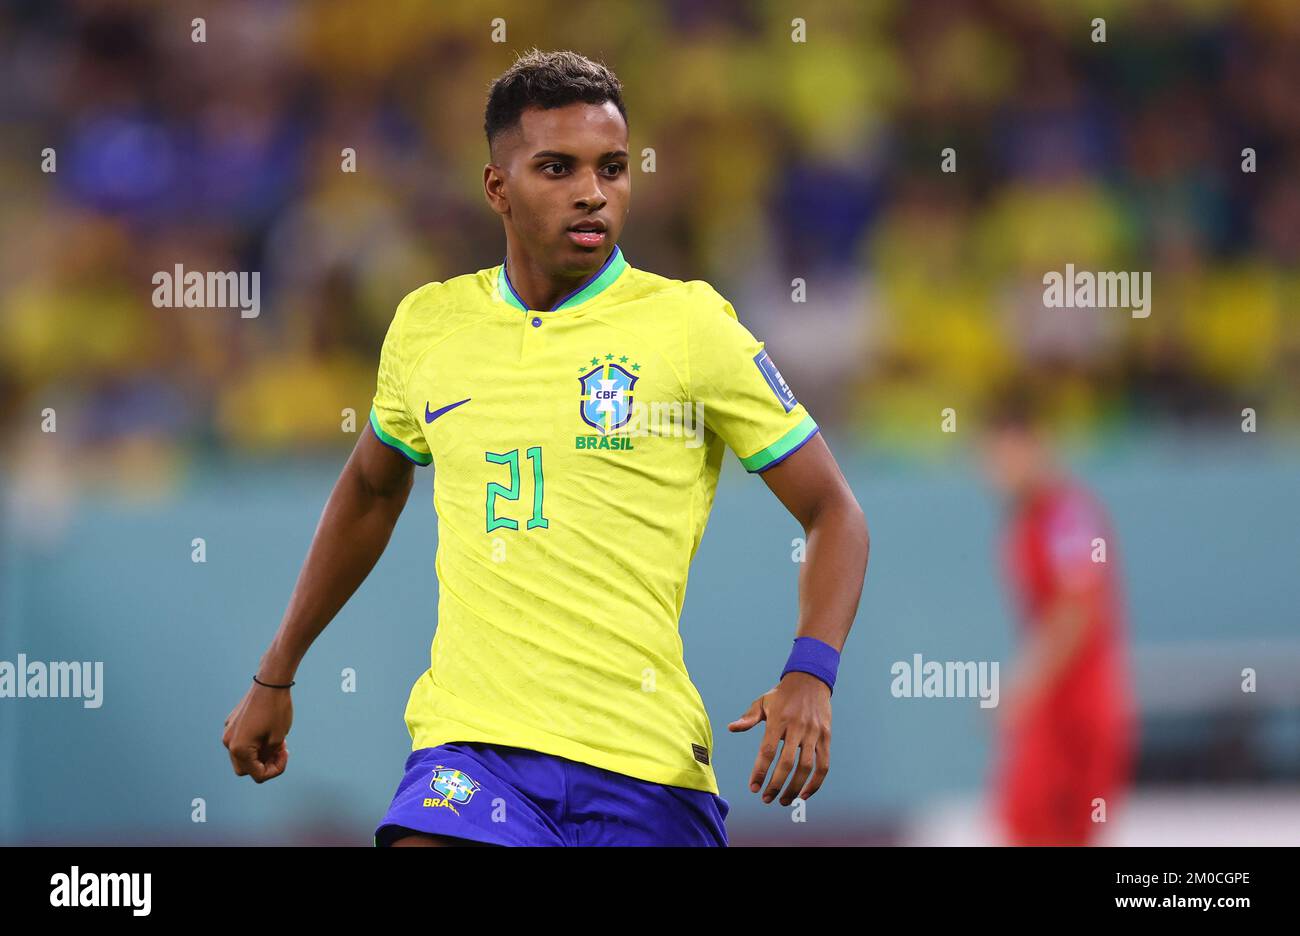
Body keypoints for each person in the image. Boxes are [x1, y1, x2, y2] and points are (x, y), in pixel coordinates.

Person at [222, 48, 869, 847]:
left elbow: (833, 510)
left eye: (613, 168)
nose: (592, 192)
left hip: (643, 763)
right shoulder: (431, 326)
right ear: (499, 188)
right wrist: (276, 671)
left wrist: (811, 671)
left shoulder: (689, 326)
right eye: (557, 168)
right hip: (472, 749)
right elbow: (371, 490)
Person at [980, 384, 1137, 846]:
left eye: (1005, 455)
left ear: (1035, 446)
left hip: (1078, 711)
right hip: (1058, 712)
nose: (996, 470)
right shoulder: (1028, 522)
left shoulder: (1066, 515)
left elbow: (1077, 607)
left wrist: (1024, 684)